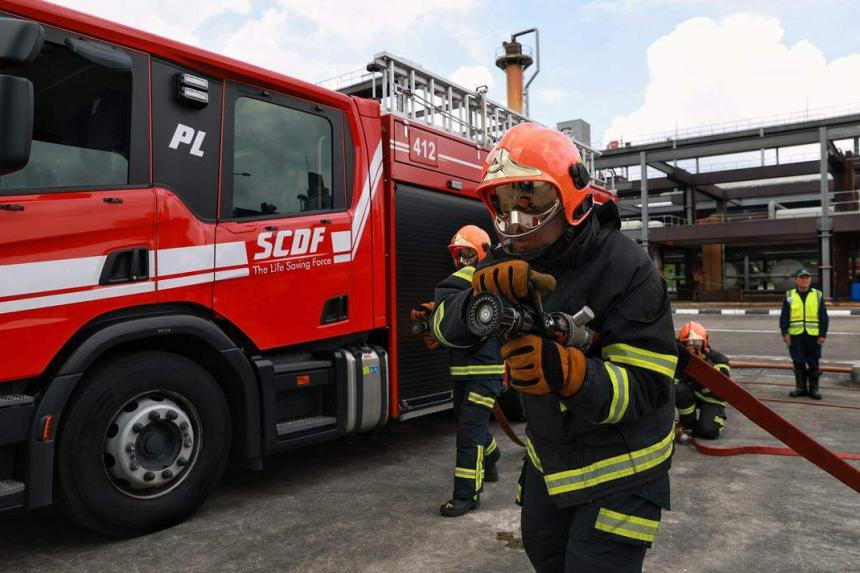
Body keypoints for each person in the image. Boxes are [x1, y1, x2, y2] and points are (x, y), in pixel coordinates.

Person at [431, 123, 677, 572]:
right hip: (551, 464)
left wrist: (571, 374)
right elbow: (443, 324)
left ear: (571, 195)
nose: (517, 220)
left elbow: (649, 385)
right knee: (545, 557)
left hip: (622, 469)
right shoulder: (507, 257)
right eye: (504, 204)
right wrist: (475, 302)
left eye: (530, 200)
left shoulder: (628, 269)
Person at [422, 225, 505, 517]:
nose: (461, 262)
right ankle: (492, 454)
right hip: (461, 372)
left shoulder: (492, 285)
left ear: (481, 254)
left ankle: (467, 494)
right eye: (457, 256)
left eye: (467, 255)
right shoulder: (462, 289)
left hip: (485, 374)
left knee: (469, 433)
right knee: (468, 425)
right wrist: (434, 316)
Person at [674, 321, 729, 439]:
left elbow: (724, 385)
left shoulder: (718, 359)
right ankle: (689, 425)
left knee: (708, 432)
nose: (693, 349)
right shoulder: (678, 359)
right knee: (678, 389)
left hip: (711, 398)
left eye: (697, 344)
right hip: (688, 395)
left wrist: (705, 365)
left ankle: (709, 421)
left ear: (705, 342)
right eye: (687, 345)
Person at [780, 269, 828, 400]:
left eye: (807, 278)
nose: (804, 280)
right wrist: (784, 332)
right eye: (801, 278)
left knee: (813, 362)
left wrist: (823, 334)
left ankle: (814, 389)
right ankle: (800, 388)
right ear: (796, 280)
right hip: (796, 335)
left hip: (813, 335)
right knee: (798, 361)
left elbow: (824, 316)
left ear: (810, 280)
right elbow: (784, 315)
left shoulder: (817, 295)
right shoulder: (789, 295)